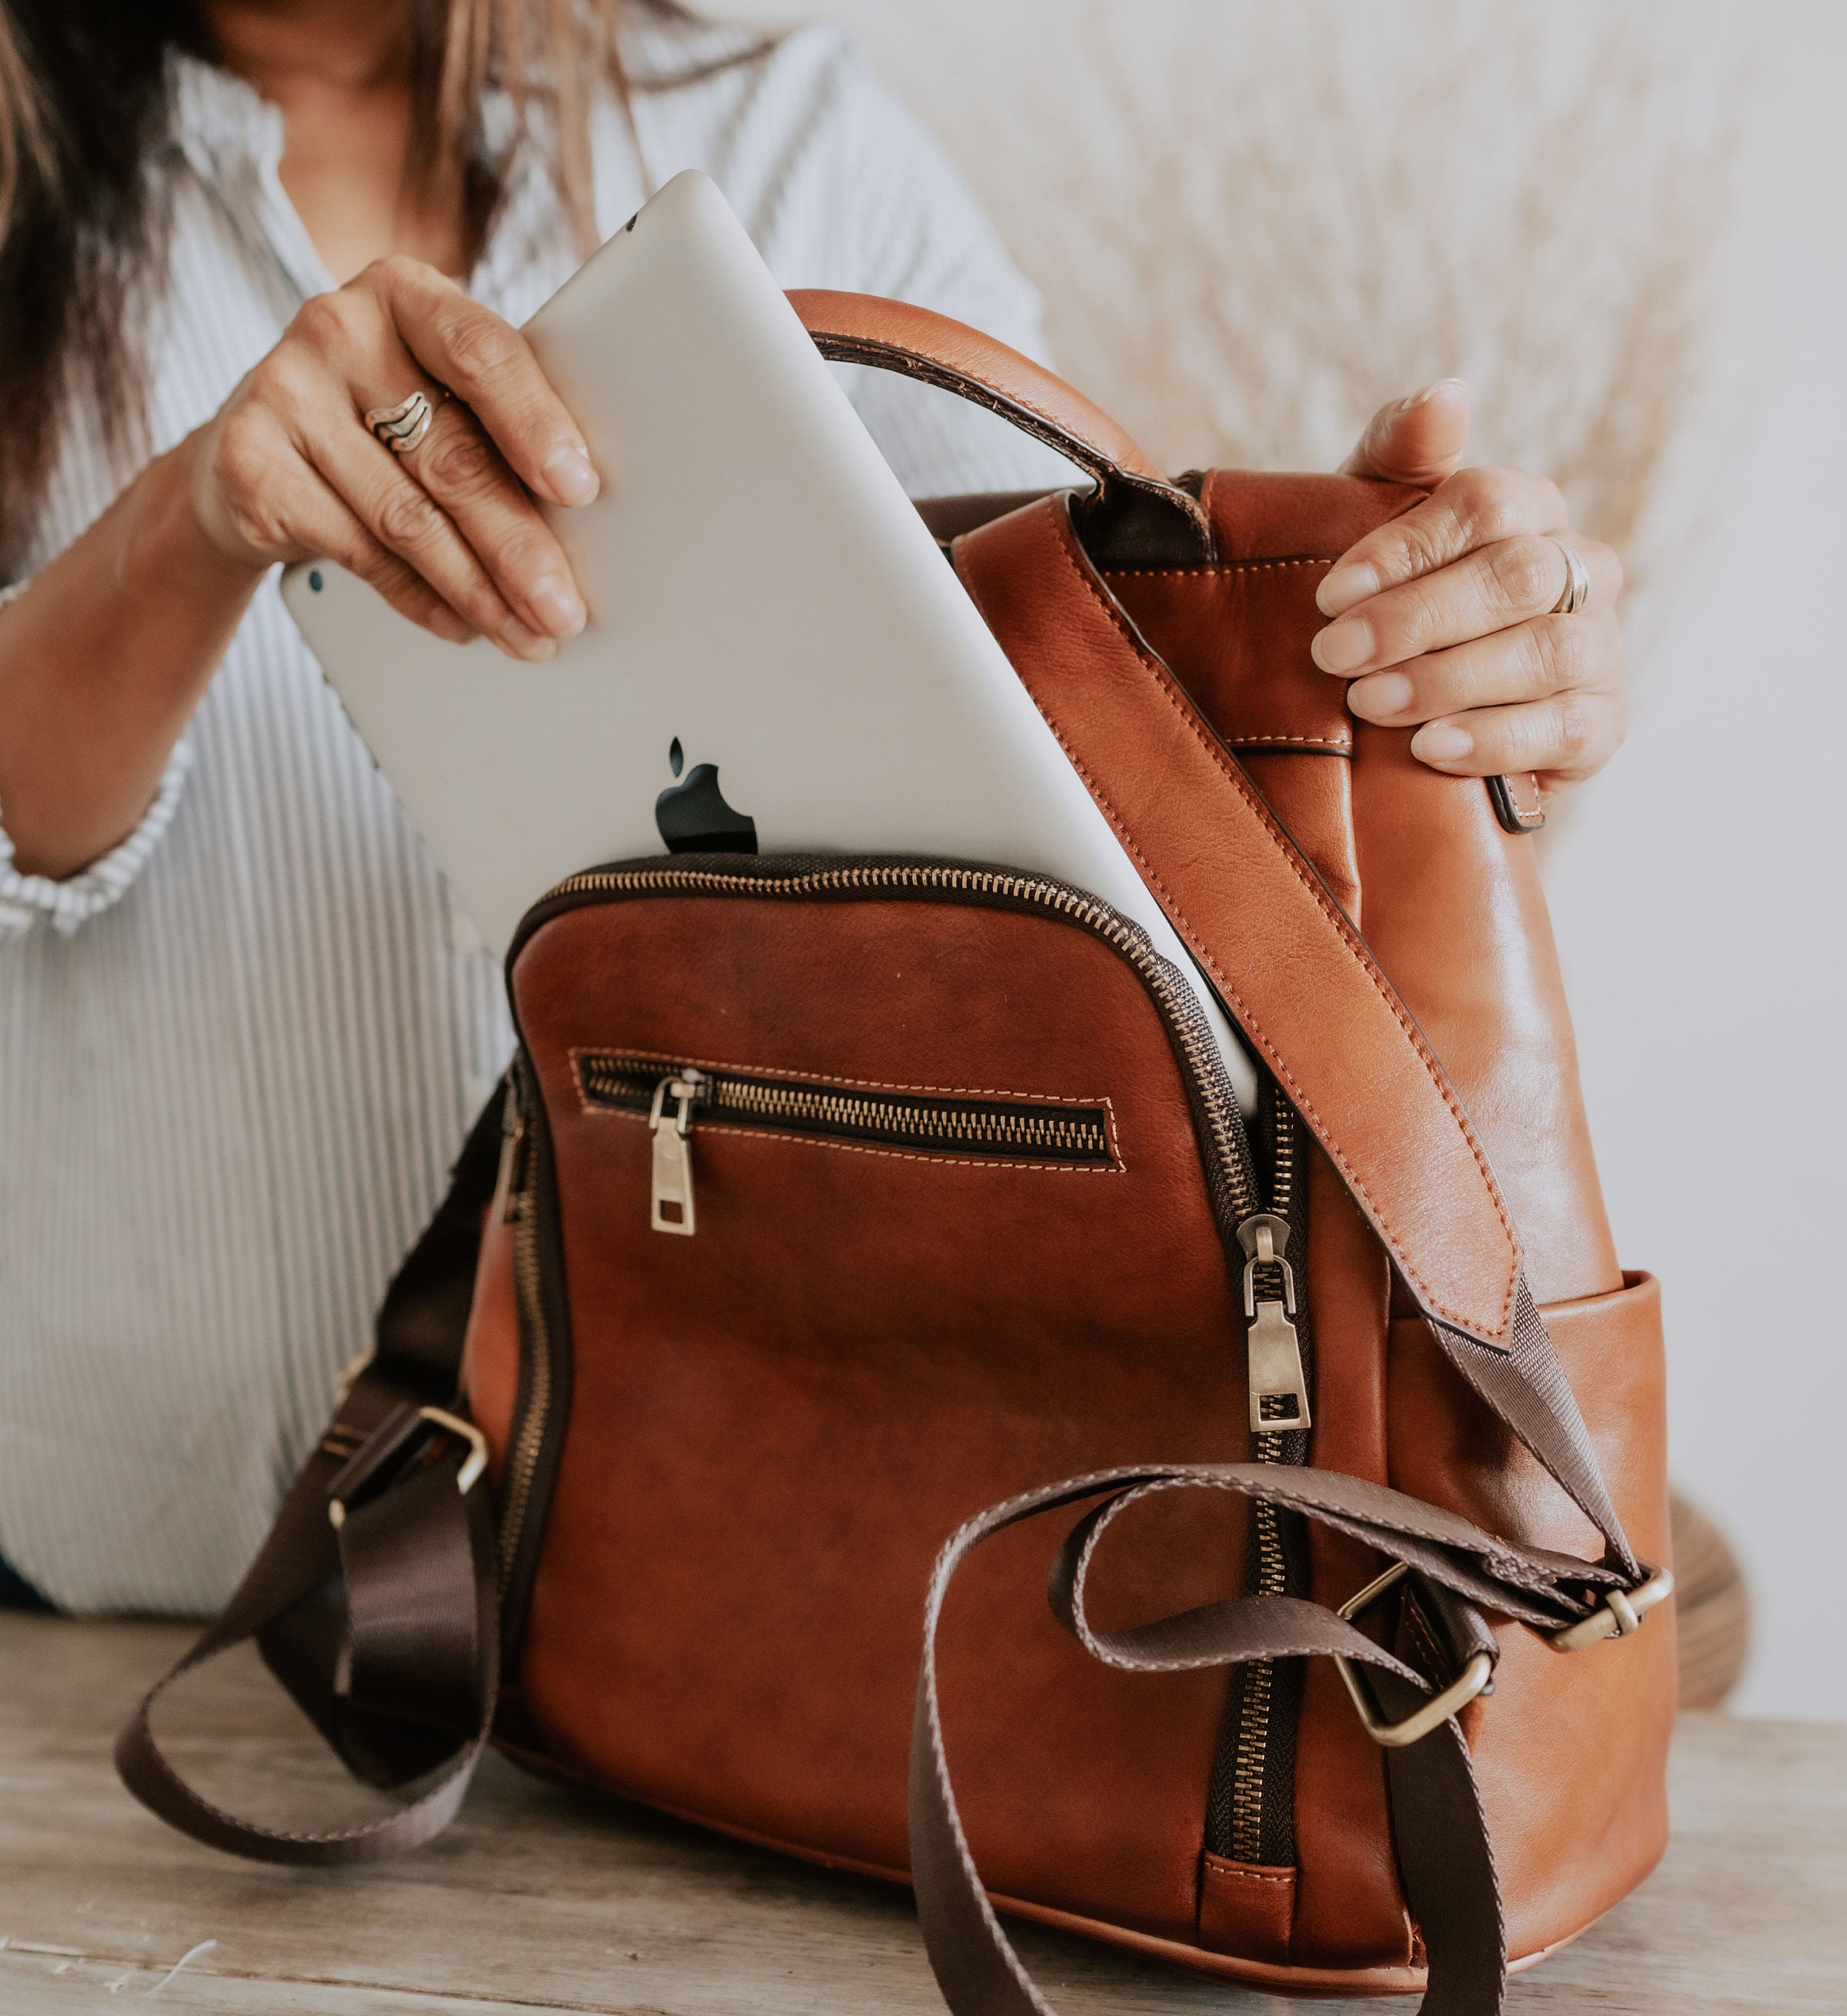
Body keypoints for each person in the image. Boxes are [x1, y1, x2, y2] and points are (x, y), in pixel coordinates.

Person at [0, 0, 1628, 1614]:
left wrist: (1365, 664)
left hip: (733, 1635)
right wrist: (183, 527)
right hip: (124, 1624)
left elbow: (1071, 714)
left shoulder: (786, 131)